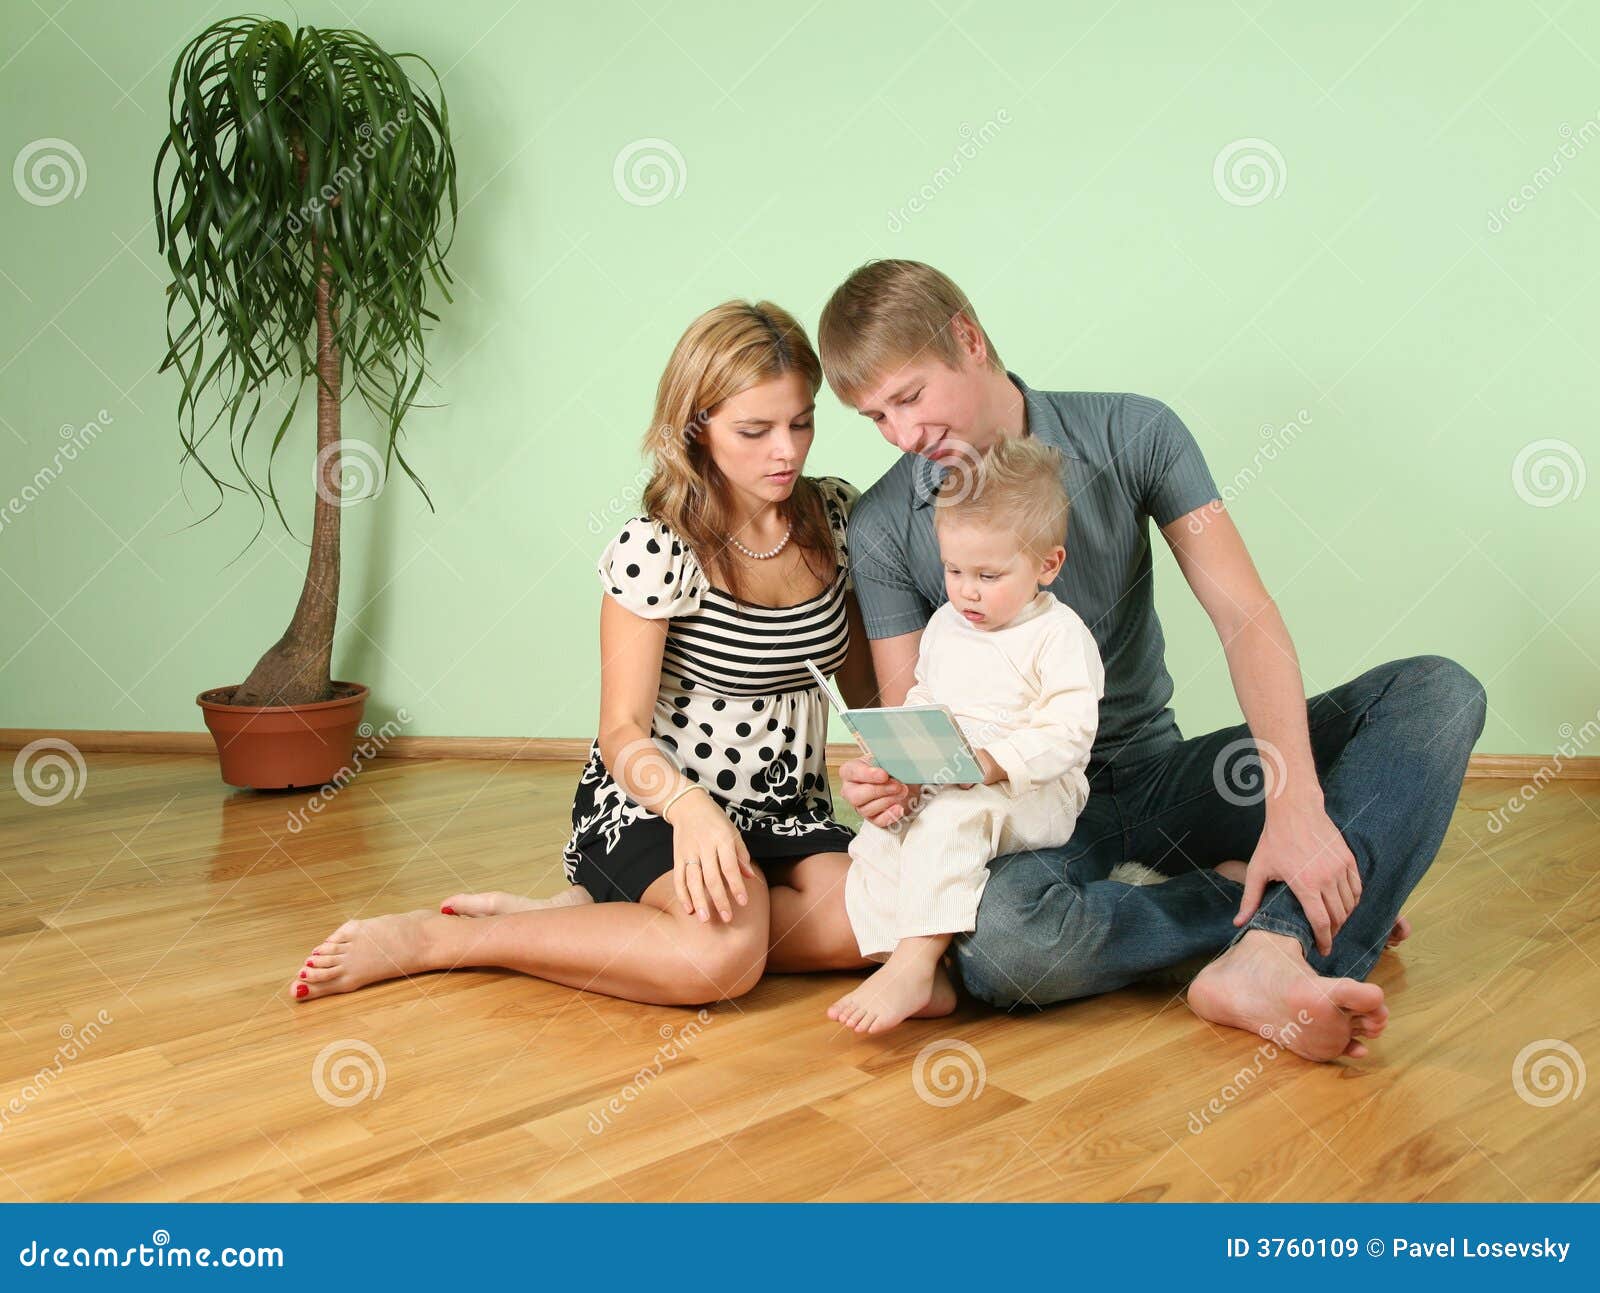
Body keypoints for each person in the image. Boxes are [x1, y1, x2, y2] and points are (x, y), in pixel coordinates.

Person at [818, 259, 1487, 1061]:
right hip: (1030, 812)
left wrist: (1295, 802)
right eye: (875, 418)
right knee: (1004, 952)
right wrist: (894, 777)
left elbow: (1243, 614)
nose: (902, 435)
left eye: (910, 396)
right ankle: (1285, 910)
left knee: (1437, 691)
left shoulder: (1134, 431)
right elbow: (912, 717)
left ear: (968, 338)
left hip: (1163, 771)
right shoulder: (886, 522)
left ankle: (1268, 954)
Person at [288, 301, 875, 1006]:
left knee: (876, 919)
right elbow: (621, 729)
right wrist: (690, 810)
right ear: (698, 427)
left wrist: (917, 775)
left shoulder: (836, 515)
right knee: (721, 954)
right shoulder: (656, 548)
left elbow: (868, 690)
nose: (787, 450)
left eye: (801, 422)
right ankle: (449, 941)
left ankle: (598, 925)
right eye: (755, 430)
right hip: (657, 804)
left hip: (784, 808)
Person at [829, 436, 1105, 1033]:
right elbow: (927, 694)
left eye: (989, 574)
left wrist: (992, 762)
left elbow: (1071, 730)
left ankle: (914, 961)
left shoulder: (1058, 635)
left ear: (1047, 565)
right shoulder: (947, 625)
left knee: (950, 821)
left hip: (1036, 789)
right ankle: (911, 970)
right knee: (880, 837)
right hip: (952, 775)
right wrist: (905, 756)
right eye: (953, 569)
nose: (967, 590)